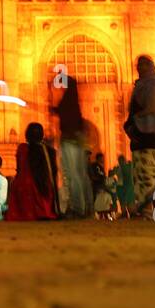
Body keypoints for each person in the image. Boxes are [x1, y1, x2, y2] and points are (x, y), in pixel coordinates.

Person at [125, 55, 155, 217]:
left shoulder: (153, 83)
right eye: (138, 64)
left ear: (151, 66)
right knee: (141, 176)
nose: (139, 67)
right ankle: (147, 209)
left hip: (150, 134)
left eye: (143, 64)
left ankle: (147, 210)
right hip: (142, 136)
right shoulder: (144, 83)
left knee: (147, 175)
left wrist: (138, 117)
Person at [52, 75, 91, 218]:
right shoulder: (74, 102)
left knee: (72, 174)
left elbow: (63, 113)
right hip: (77, 141)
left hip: (69, 140)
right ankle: (86, 207)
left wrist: (54, 110)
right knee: (80, 175)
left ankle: (77, 207)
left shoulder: (68, 102)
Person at [5, 123, 58, 221]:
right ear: (42, 135)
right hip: (43, 188)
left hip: (24, 186)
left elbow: (19, 169)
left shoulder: (22, 149)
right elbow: (53, 171)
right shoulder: (49, 150)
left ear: (27, 135)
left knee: (17, 183)